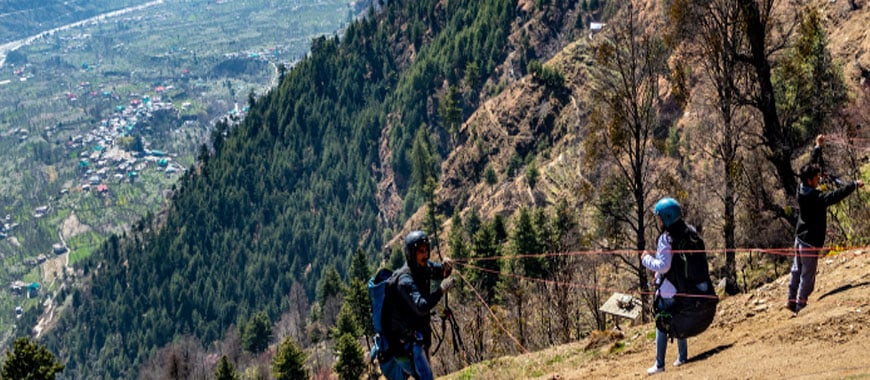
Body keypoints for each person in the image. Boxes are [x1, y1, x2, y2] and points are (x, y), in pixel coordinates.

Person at [788, 134, 863, 313]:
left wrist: (817, 147)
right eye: (816, 177)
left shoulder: (801, 188)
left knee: (796, 270)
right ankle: (800, 305)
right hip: (810, 242)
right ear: (810, 180)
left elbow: (809, 168)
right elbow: (836, 195)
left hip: (799, 238)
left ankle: (791, 300)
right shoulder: (817, 198)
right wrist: (853, 185)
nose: (818, 179)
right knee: (808, 275)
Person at [379, 230, 453, 380]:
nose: (425, 254)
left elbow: (439, 272)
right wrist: (441, 290)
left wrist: (446, 267)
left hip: (418, 338)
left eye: (426, 250)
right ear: (411, 253)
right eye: (421, 251)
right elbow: (421, 306)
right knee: (425, 377)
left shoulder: (421, 267)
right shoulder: (405, 280)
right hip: (406, 343)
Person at [642, 197, 691, 375]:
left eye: (660, 217)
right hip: (684, 286)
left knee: (661, 324)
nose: (659, 221)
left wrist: (646, 259)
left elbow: (664, 266)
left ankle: (660, 364)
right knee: (678, 318)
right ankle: (682, 356)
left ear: (666, 218)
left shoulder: (666, 238)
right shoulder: (686, 233)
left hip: (668, 289)